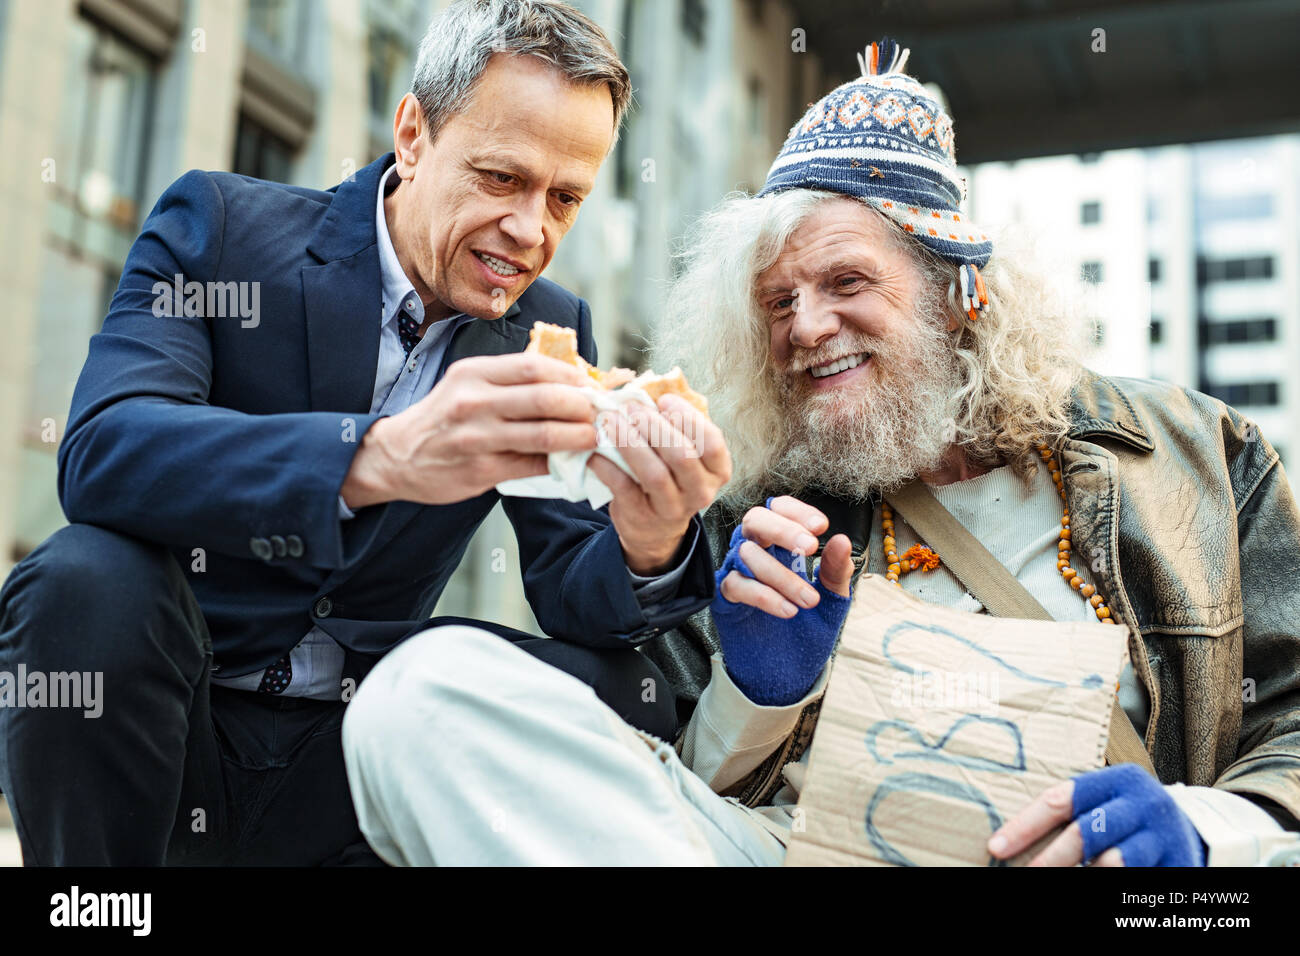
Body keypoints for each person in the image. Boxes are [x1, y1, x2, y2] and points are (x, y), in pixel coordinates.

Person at [340, 40, 1300, 866]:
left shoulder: (1198, 455)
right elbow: (672, 793)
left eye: (846, 282)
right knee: (419, 696)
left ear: (956, 291)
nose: (807, 327)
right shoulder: (750, 507)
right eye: (778, 302)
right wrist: (756, 689)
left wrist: (1205, 832)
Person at [0, 0, 728, 866]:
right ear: (413, 134)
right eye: (502, 178)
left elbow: (572, 584)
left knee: (623, 689)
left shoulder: (549, 323)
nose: (533, 232)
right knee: (87, 580)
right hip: (167, 728)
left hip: (353, 762)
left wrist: (649, 543)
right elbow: (107, 449)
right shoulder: (221, 227)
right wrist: (375, 458)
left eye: (564, 198)